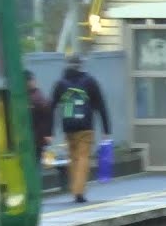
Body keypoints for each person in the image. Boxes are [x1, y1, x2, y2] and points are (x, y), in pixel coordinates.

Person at [51, 54, 112, 203]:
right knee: (84, 157)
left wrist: (50, 131)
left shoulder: (60, 83)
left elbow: (51, 107)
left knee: (73, 158)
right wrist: (106, 129)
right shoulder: (90, 82)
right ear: (81, 65)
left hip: (68, 127)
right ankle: (79, 191)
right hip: (85, 126)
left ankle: (74, 190)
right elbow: (101, 105)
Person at [25, 70, 53, 164]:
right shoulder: (35, 96)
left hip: (37, 138)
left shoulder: (37, 97)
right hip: (34, 138)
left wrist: (47, 134)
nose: (30, 82)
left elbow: (47, 115)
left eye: (30, 80)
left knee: (35, 163)